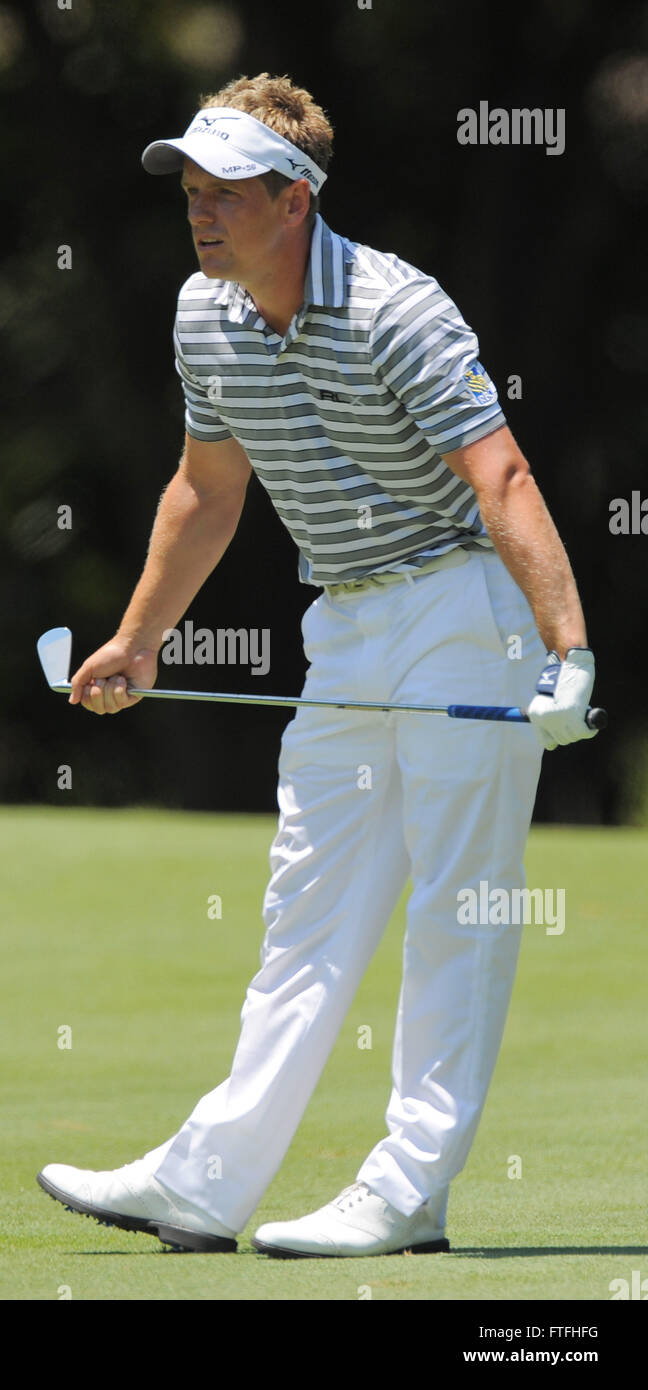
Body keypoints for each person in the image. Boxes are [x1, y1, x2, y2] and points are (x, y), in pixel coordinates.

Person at [37, 74, 598, 1257]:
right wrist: (141, 638)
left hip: (464, 609)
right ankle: (204, 1180)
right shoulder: (204, 313)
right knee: (307, 903)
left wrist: (568, 650)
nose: (200, 211)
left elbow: (500, 477)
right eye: (191, 190)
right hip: (341, 623)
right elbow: (207, 487)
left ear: (294, 200)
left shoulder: (398, 308)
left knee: (459, 905)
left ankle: (409, 1191)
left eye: (227, 191)